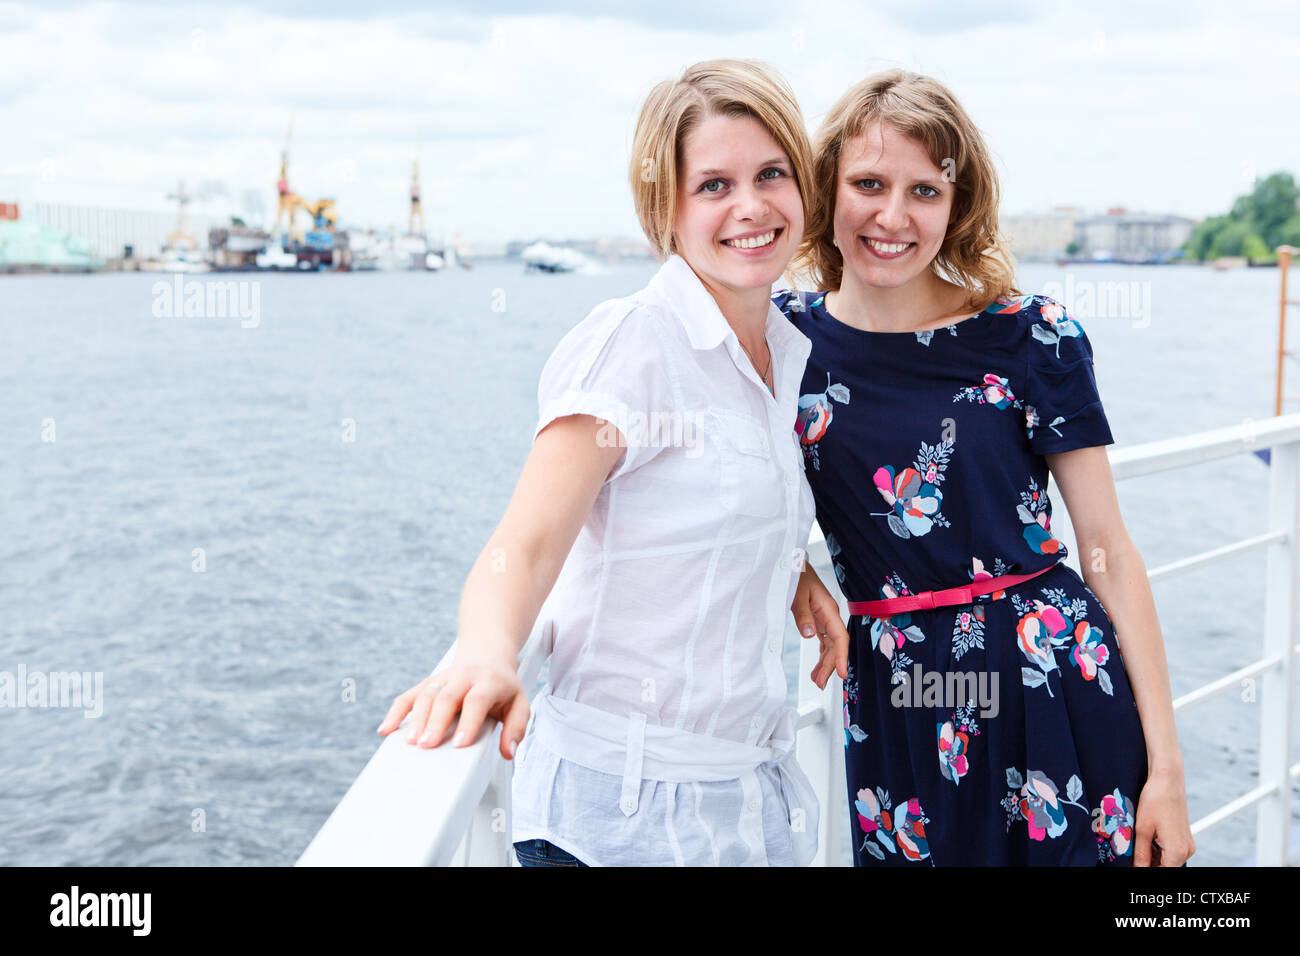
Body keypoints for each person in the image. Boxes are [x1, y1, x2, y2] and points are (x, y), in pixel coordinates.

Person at [378, 59, 842, 866]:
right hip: (619, 822)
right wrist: (488, 653)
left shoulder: (782, 350)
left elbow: (702, 500)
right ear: (664, 208)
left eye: (772, 174)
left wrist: (786, 566)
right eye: (714, 185)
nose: (752, 206)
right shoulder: (634, 343)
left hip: (740, 811)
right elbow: (524, 545)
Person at [779, 69, 1195, 866]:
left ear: (956, 205)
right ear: (824, 189)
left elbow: (1106, 548)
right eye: (867, 183)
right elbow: (700, 481)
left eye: (925, 191)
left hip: (1054, 683)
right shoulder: (780, 343)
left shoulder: (1031, 338)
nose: (893, 216)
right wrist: (788, 565)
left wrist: (1168, 772)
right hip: (900, 699)